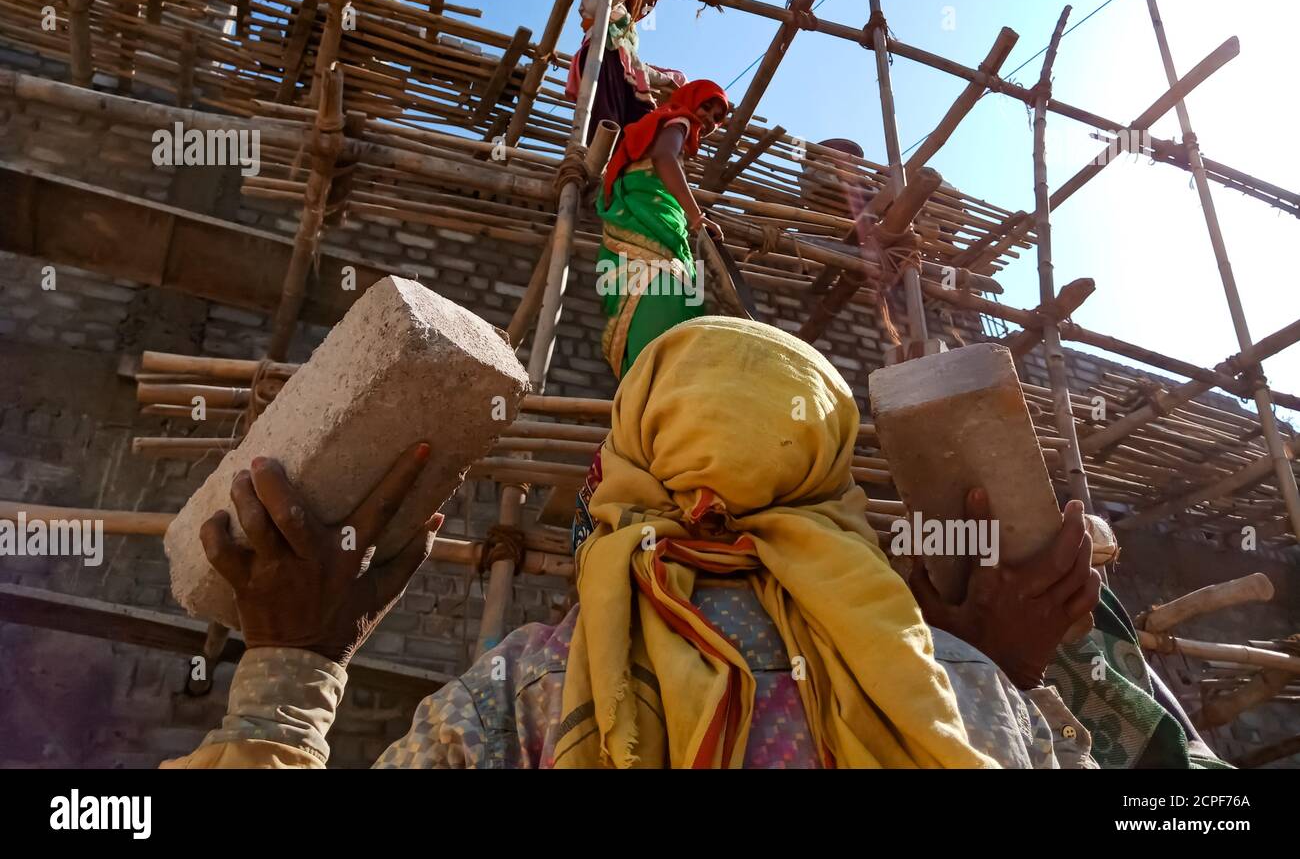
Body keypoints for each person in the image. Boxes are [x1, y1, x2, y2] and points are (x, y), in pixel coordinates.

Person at [164, 317, 1108, 770]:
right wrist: (989, 672)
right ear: (828, 475)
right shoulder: (956, 693)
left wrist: (291, 671)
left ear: (624, 462)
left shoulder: (531, 687)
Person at [595, 79, 730, 382]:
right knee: (663, 291)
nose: (709, 118)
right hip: (650, 219)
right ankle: (658, 384)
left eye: (717, 116)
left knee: (663, 288)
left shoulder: (667, 123)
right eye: (706, 106)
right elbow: (664, 158)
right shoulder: (679, 120)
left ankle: (649, 386)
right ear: (688, 99)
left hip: (651, 216)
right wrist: (696, 217)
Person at [564, 0, 684, 133]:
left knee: (629, 123)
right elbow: (593, 6)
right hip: (603, 57)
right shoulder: (614, 4)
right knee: (605, 117)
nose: (645, 5)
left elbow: (633, 61)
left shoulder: (631, 31)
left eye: (650, 5)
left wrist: (668, 79)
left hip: (622, 71)